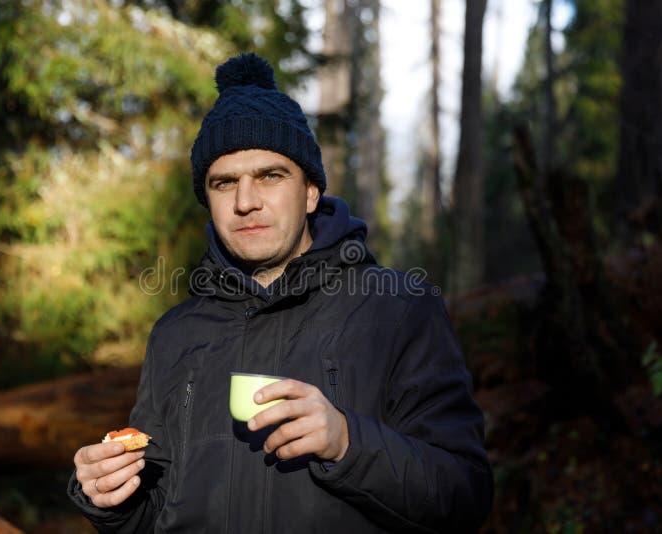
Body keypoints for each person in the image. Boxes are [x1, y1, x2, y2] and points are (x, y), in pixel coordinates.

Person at [67, 52, 493, 533]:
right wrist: (109, 497)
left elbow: (465, 493)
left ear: (311, 191)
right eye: (224, 183)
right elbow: (156, 512)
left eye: (270, 176)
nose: (246, 202)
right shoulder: (175, 335)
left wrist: (348, 442)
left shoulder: (397, 308)